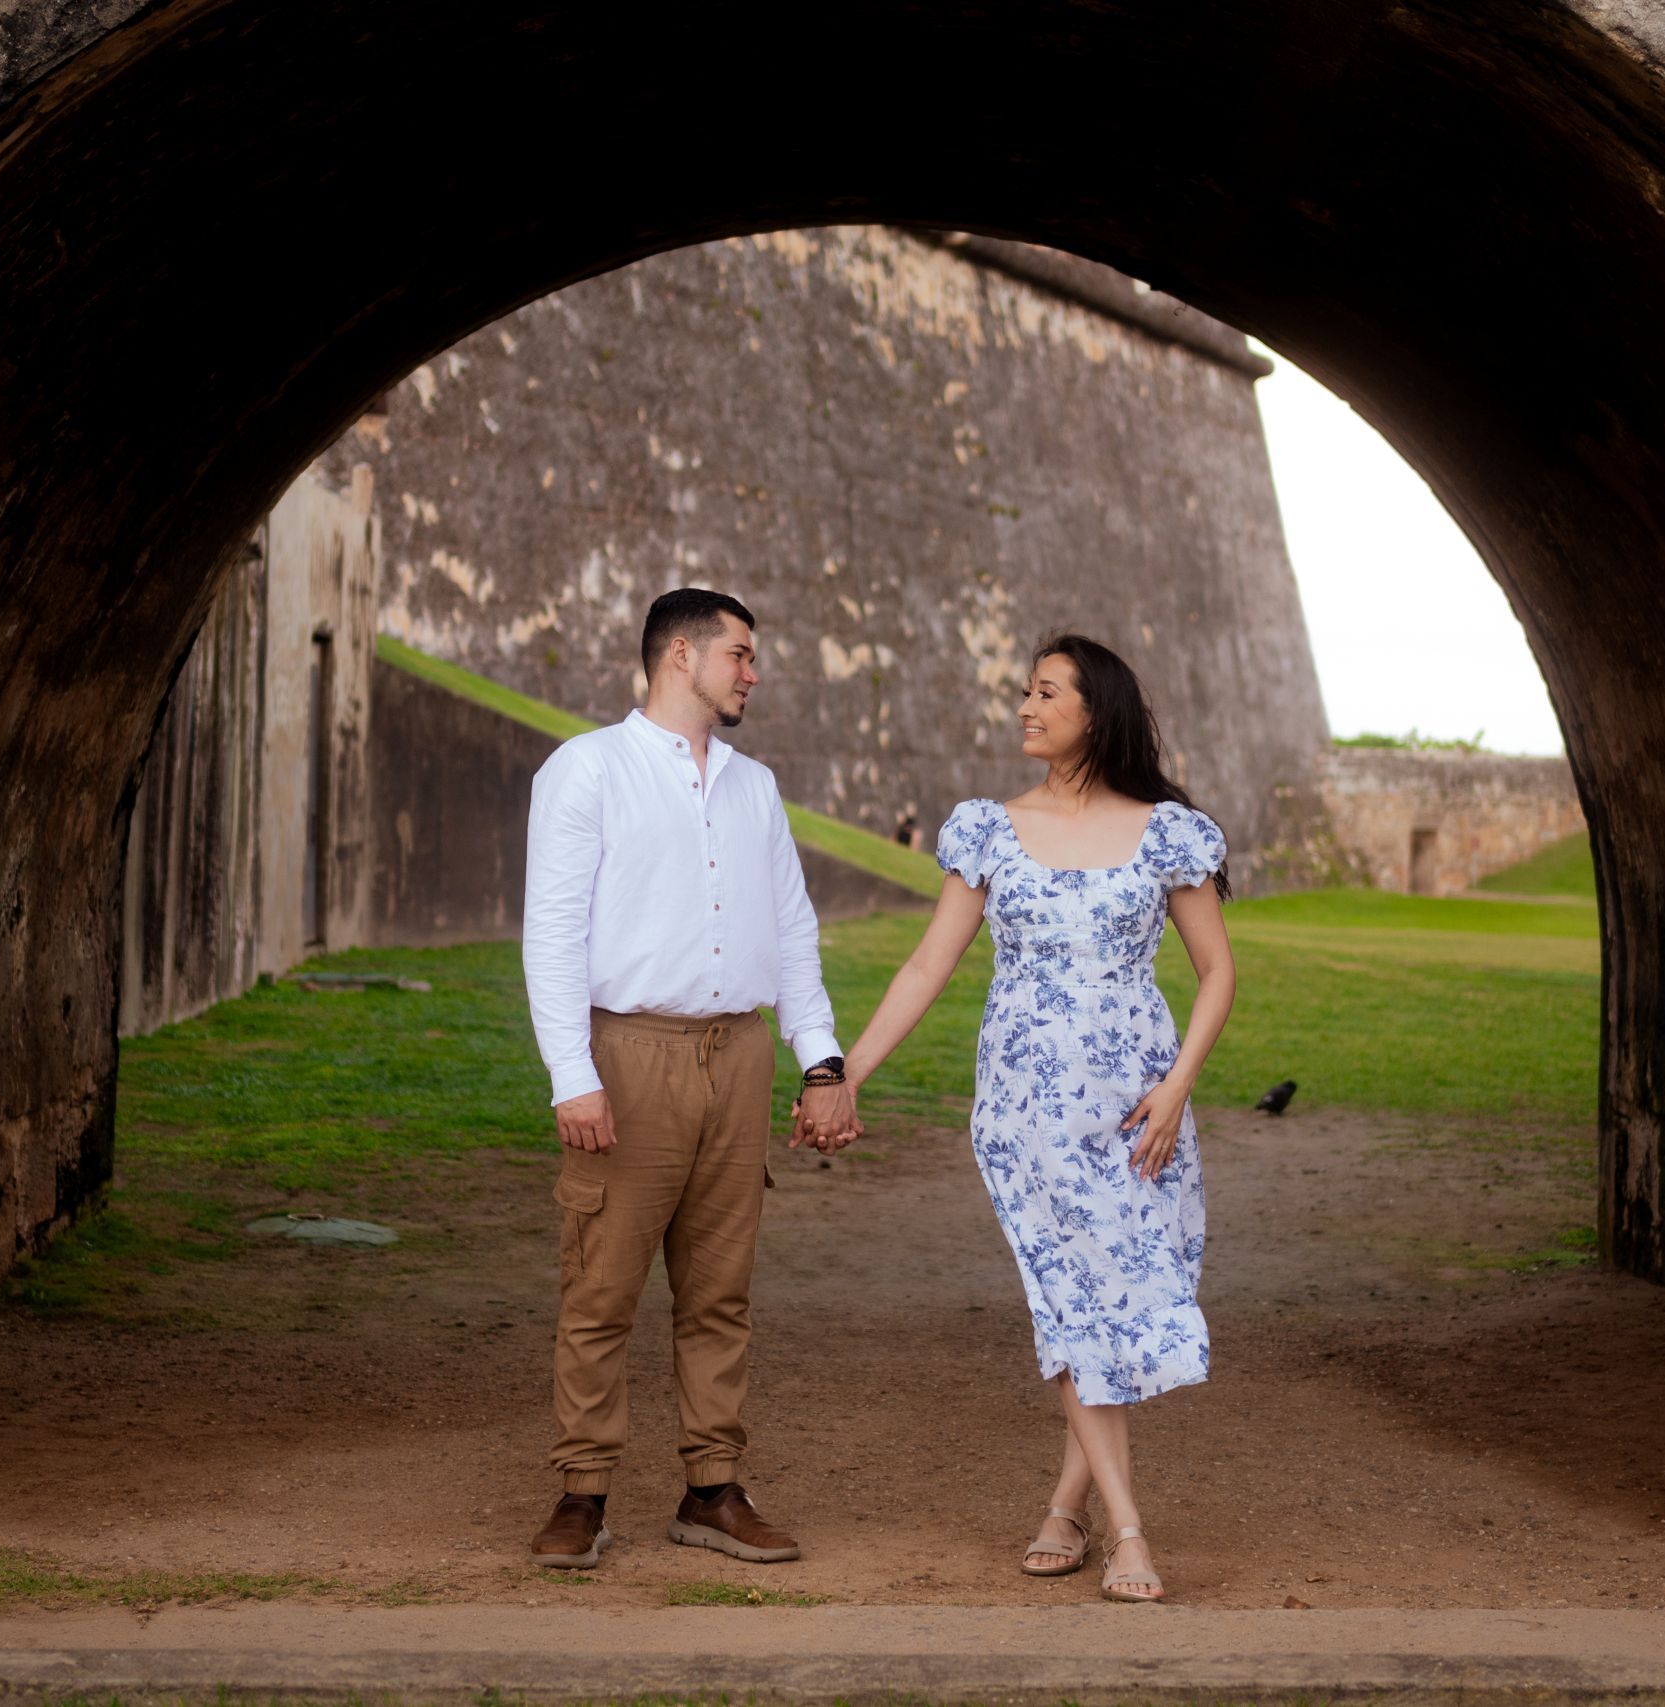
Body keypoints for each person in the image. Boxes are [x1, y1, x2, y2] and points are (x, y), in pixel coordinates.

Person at [798, 634, 1234, 1602]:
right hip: (1028, 1112)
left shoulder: (1165, 831)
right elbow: (925, 967)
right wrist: (847, 1072)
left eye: (1047, 693)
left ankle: (1063, 1508)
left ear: (1095, 711)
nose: (1026, 707)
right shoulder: (989, 830)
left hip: (1140, 1113)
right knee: (1072, 1302)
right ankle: (1127, 1532)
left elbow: (1219, 976)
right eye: (1026, 692)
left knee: (1117, 1303)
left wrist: (1177, 1087)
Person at [519, 588, 847, 1572]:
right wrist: (572, 1075)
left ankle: (713, 1488)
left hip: (737, 1056)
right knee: (602, 1285)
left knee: (719, 1291)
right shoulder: (586, 772)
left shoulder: (755, 788)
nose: (753, 672)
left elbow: (792, 933)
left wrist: (820, 1062)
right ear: (680, 657)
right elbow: (553, 931)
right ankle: (583, 1492)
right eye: (739, 655)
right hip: (629, 1056)